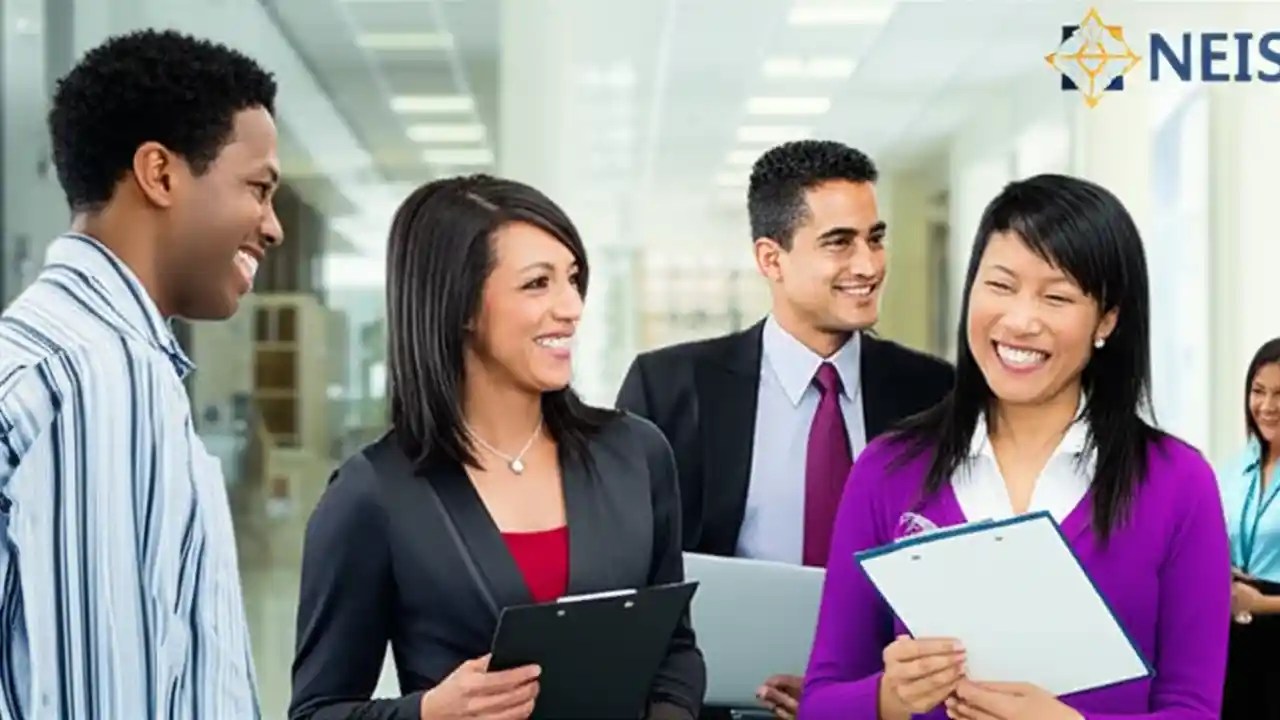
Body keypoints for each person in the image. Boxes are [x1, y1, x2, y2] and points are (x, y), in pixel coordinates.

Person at [800, 174, 1229, 720]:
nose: (1020, 321)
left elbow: (1193, 710)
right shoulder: (889, 469)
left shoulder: (1176, 482)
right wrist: (888, 698)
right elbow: (821, 703)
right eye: (1000, 286)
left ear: (1108, 319)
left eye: (1056, 297)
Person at [289, 174, 705, 720]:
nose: (571, 307)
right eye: (538, 284)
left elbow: (675, 649)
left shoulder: (635, 453)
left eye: (573, 279)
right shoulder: (373, 494)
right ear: (460, 304)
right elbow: (317, 711)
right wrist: (428, 713)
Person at [615, 140, 952, 719]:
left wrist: (847, 697)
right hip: (715, 705)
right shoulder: (669, 387)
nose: (869, 265)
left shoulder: (934, 393)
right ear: (772, 259)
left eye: (875, 237)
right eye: (839, 243)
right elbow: (627, 576)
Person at [0, 30, 281, 719]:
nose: (272, 227)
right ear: (159, 173)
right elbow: (102, 696)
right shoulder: (101, 376)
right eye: (258, 188)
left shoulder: (49, 350)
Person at [1220, 337, 1280, 719]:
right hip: (1236, 639)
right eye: (1258, 391)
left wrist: (1261, 604)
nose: (1267, 406)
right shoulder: (1234, 469)